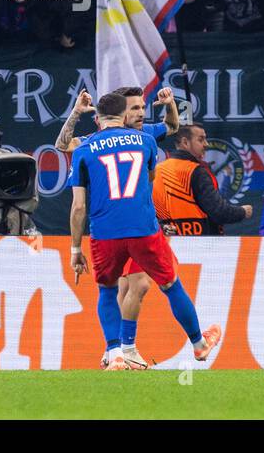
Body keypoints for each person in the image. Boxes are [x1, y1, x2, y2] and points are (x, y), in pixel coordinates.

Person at [70, 90, 222, 372]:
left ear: (99, 117)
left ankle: (115, 352)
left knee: (107, 290)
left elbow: (78, 206)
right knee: (170, 285)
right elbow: (150, 177)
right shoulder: (146, 141)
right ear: (123, 114)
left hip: (104, 232)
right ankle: (199, 344)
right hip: (142, 228)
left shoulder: (84, 148)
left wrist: (75, 249)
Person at [153, 124, 252, 235]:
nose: (206, 144)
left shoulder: (157, 171)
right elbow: (218, 211)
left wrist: (162, 227)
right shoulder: (195, 170)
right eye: (201, 140)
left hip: (166, 244)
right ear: (185, 142)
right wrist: (243, 212)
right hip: (199, 245)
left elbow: (145, 214)